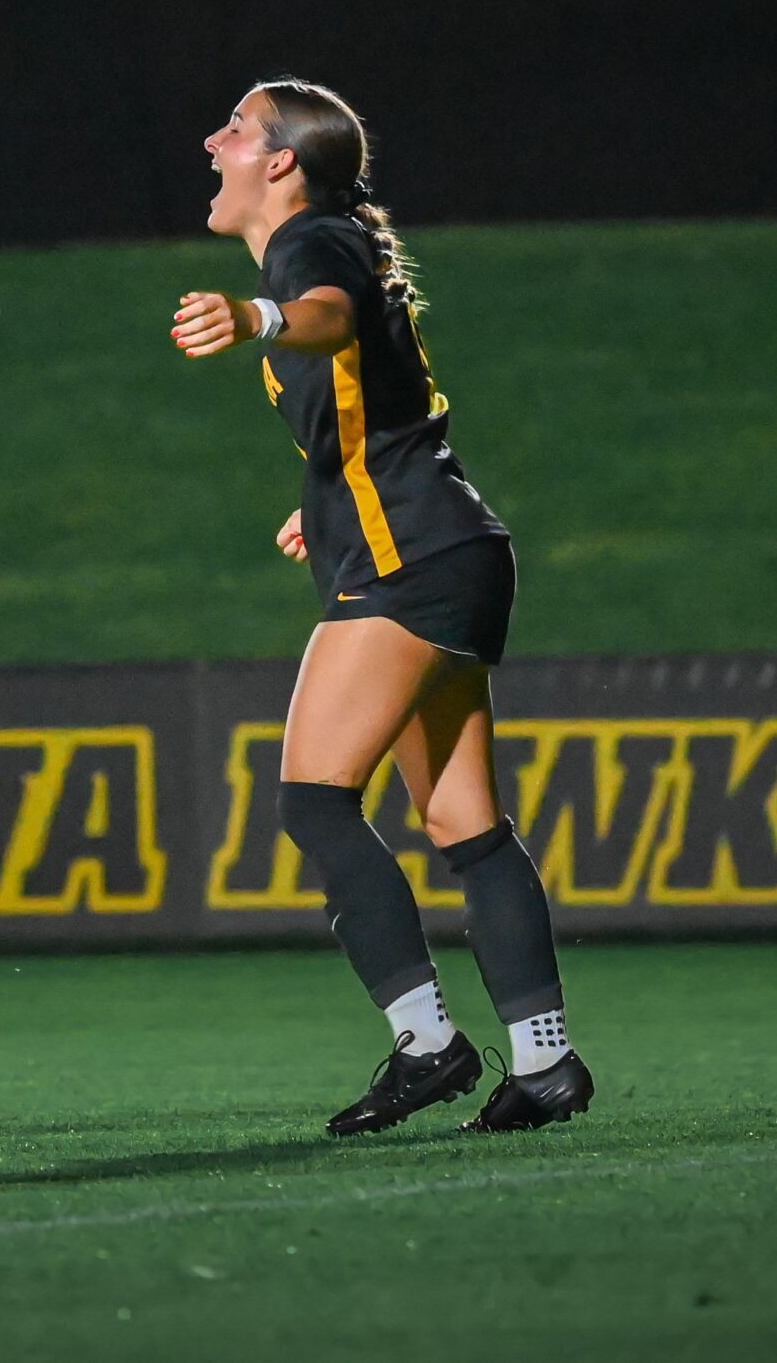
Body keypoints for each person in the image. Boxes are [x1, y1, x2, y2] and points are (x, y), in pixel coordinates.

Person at [169, 78, 590, 1136]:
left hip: (410, 564)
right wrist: (323, 503)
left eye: (234, 127)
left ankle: (430, 1044)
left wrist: (255, 314)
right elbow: (380, 402)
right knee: (466, 825)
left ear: (281, 163)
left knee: (314, 800)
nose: (211, 141)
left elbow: (325, 316)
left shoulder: (309, 245)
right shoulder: (325, 238)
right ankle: (543, 1062)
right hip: (440, 547)